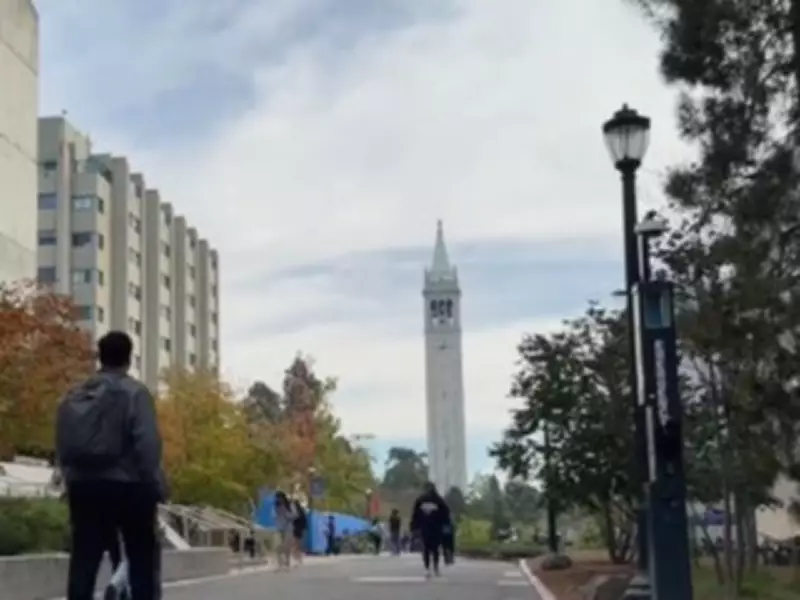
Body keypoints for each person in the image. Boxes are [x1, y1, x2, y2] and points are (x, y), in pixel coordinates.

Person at [56, 330, 166, 600]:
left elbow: (63, 443)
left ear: (100, 357)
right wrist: (154, 481)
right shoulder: (135, 393)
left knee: (84, 558)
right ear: (129, 358)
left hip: (84, 487)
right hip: (128, 487)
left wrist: (71, 481)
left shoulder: (77, 395)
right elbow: (147, 444)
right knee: (141, 557)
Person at [410, 481, 450, 578]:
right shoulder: (439, 500)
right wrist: (445, 525)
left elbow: (415, 515)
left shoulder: (421, 500)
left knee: (428, 549)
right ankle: (433, 568)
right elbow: (446, 514)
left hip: (428, 528)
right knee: (433, 549)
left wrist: (415, 527)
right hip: (435, 528)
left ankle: (428, 568)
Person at [273, 491, 295, 570]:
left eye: (279, 497)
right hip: (279, 527)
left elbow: (295, 515)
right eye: (277, 498)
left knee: (286, 547)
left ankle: (287, 562)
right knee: (277, 546)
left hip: (288, 528)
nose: (278, 499)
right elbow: (274, 515)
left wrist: (286, 514)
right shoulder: (276, 505)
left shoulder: (289, 505)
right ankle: (280, 564)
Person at [291, 497, 308, 564]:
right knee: (298, 544)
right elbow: (305, 521)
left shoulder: (296, 512)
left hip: (296, 529)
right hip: (300, 529)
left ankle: (297, 557)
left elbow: (293, 520)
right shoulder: (301, 511)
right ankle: (299, 558)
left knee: (295, 544)